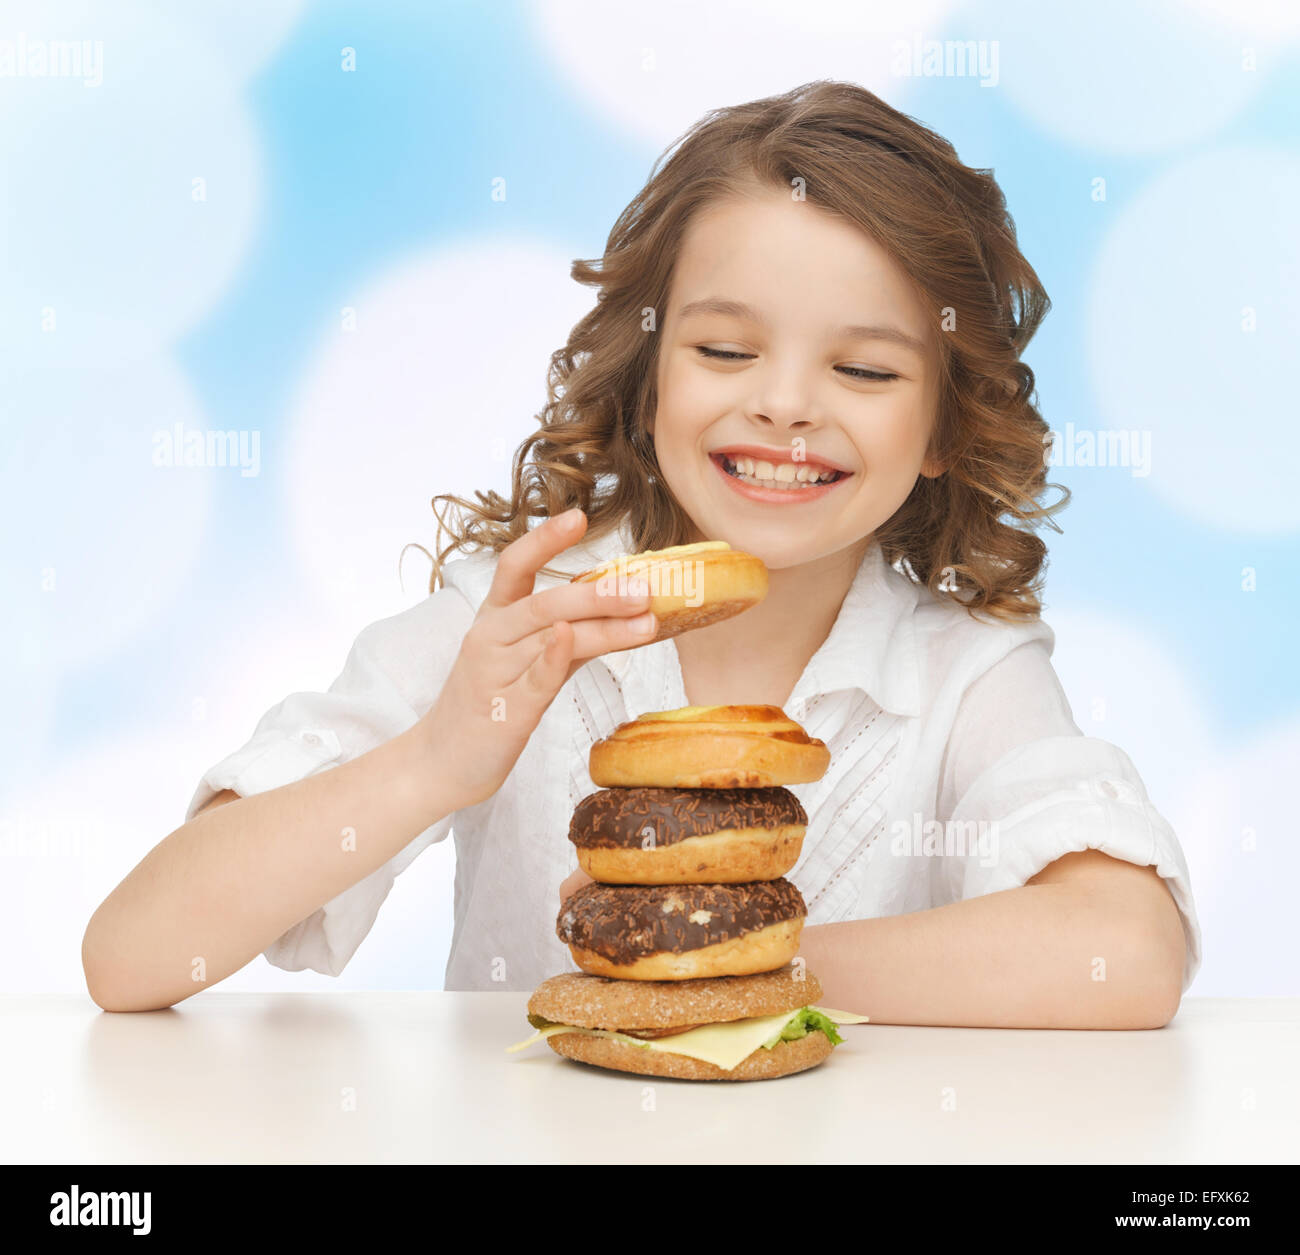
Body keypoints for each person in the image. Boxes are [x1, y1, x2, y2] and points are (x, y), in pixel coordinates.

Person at [82, 80, 1199, 1025]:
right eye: (724, 347)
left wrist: (725, 966)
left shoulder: (963, 674)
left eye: (863, 370)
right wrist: (435, 759)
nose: (785, 404)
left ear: (948, 429)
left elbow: (1129, 952)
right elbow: (132, 956)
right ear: (649, 369)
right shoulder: (516, 626)